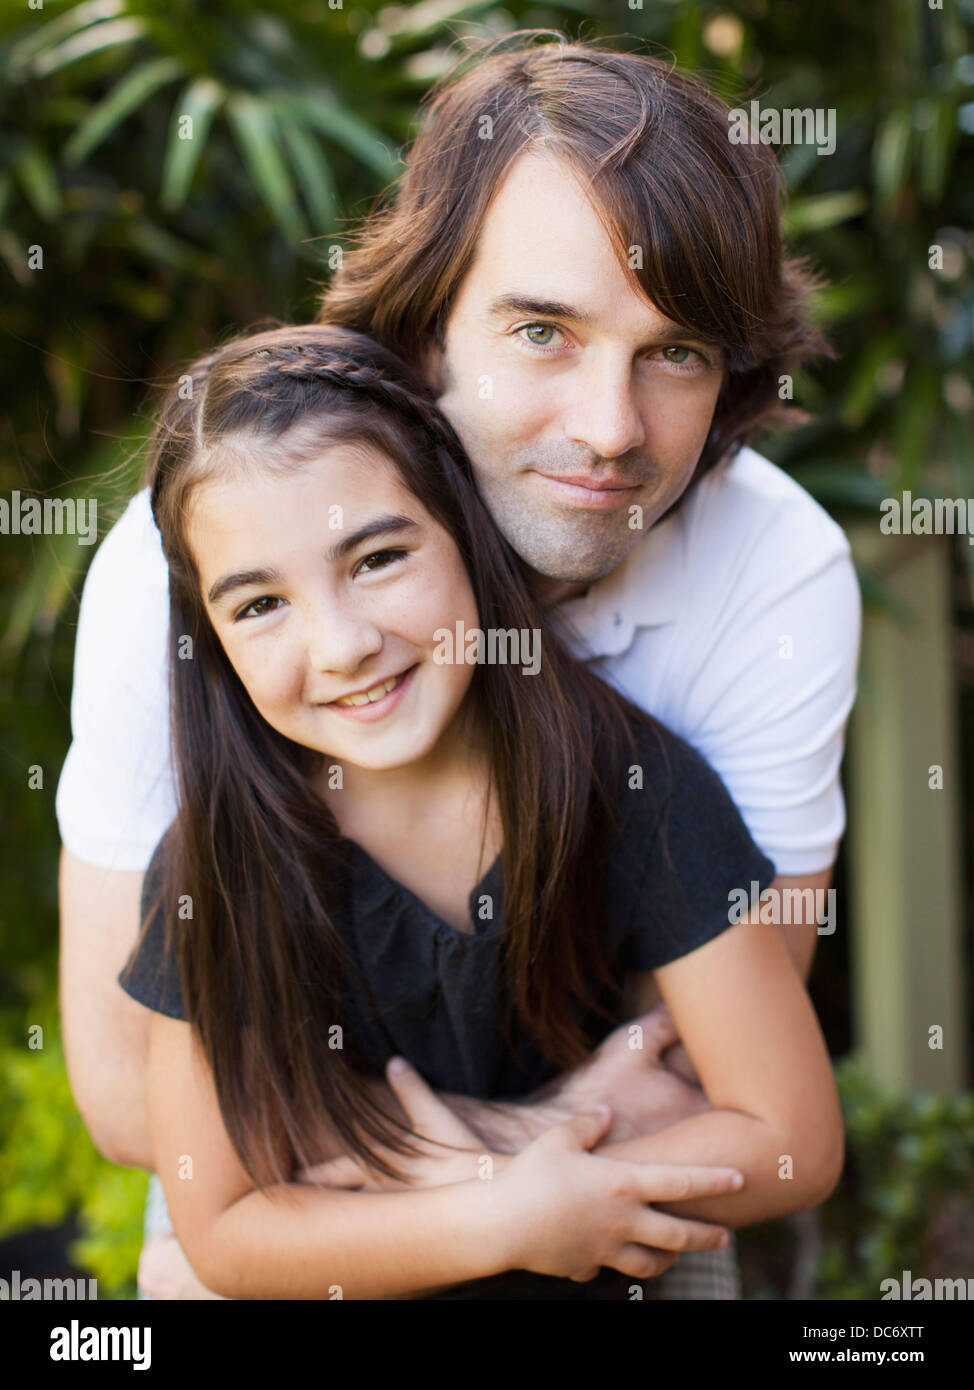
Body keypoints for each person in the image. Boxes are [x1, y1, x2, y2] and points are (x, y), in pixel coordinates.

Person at [56, 30, 861, 1299]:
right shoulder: (187, 561)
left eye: (676, 352)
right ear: (425, 332)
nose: (607, 429)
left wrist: (528, 1188)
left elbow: (715, 1083)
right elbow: (124, 1105)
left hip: (604, 1186)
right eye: (542, 329)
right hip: (319, 1221)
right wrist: (492, 1186)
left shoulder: (765, 589)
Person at [112, 320, 842, 1300]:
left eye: (376, 559)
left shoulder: (632, 788)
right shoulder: (220, 865)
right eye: (257, 605)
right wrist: (496, 1211)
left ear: (463, 523)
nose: (340, 646)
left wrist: (571, 1199)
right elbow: (226, 1225)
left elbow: (790, 1137)